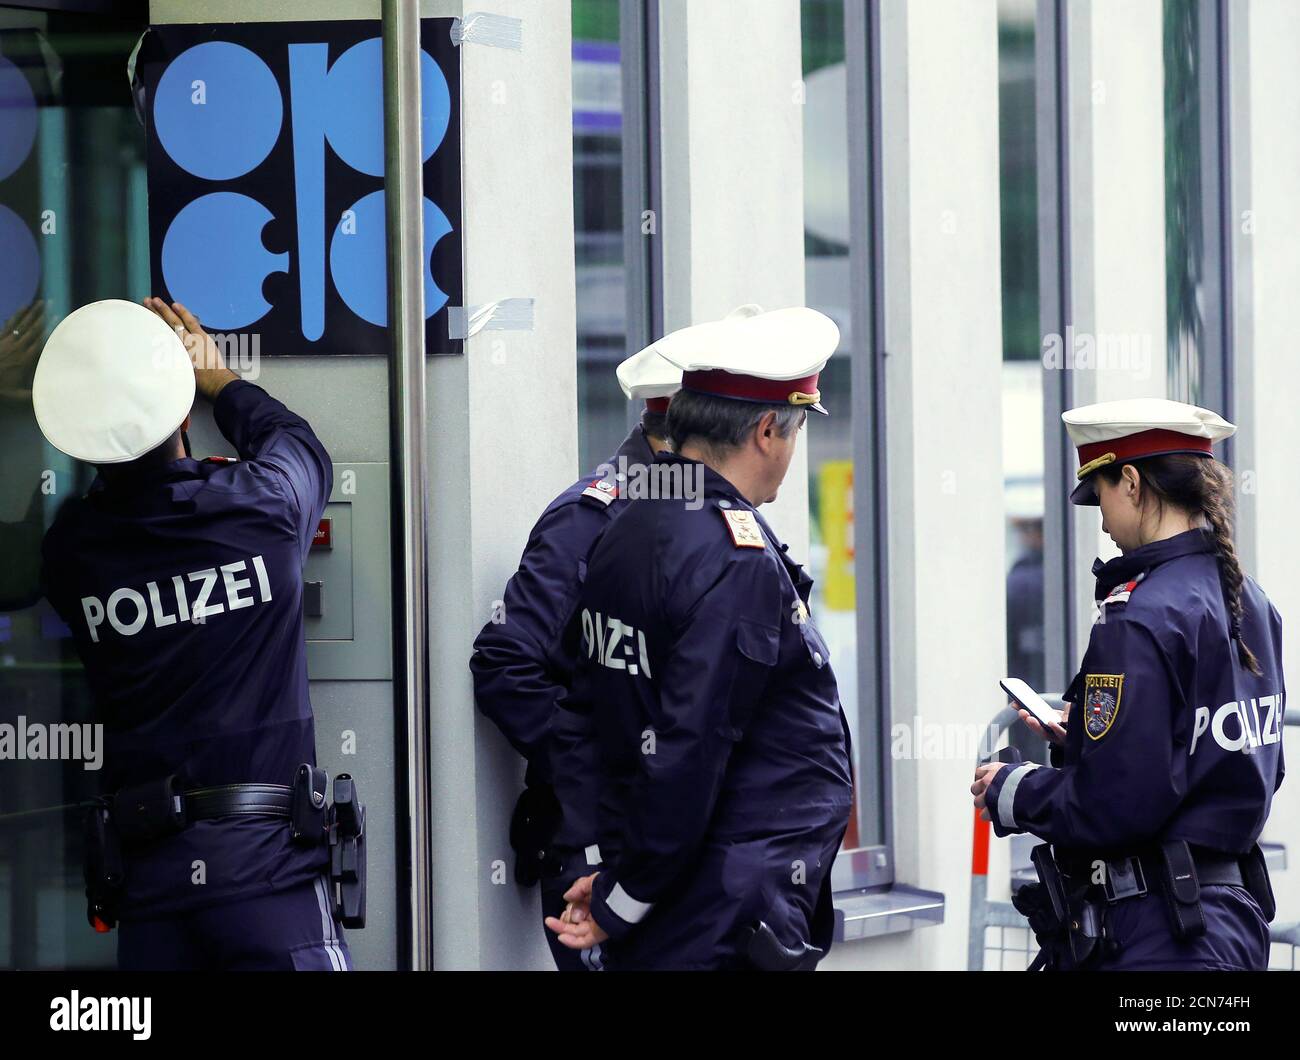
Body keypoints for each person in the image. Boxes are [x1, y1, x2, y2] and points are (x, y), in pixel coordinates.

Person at [35, 298, 353, 971]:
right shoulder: (262, 507)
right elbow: (298, 445)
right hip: (272, 880)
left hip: (151, 891)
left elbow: (88, 519)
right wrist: (220, 380)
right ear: (183, 412)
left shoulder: (73, 554)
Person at [545, 306, 854, 970]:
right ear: (769, 430)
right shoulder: (733, 553)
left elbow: (581, 710)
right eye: (796, 432)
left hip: (675, 889)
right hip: (721, 905)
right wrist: (624, 895)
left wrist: (613, 877)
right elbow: (690, 743)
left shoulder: (627, 523)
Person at [972, 398, 1285, 971]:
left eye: (1101, 496)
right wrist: (1087, 741)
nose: (1101, 521)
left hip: (1160, 935)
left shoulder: (1139, 617)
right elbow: (1233, 759)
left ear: (1133, 483)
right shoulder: (1249, 601)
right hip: (1230, 925)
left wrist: (1013, 789)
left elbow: (1116, 804)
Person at [469, 342, 681, 971]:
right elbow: (503, 663)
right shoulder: (592, 519)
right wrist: (595, 760)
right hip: (597, 845)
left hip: (659, 842)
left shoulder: (686, 514)